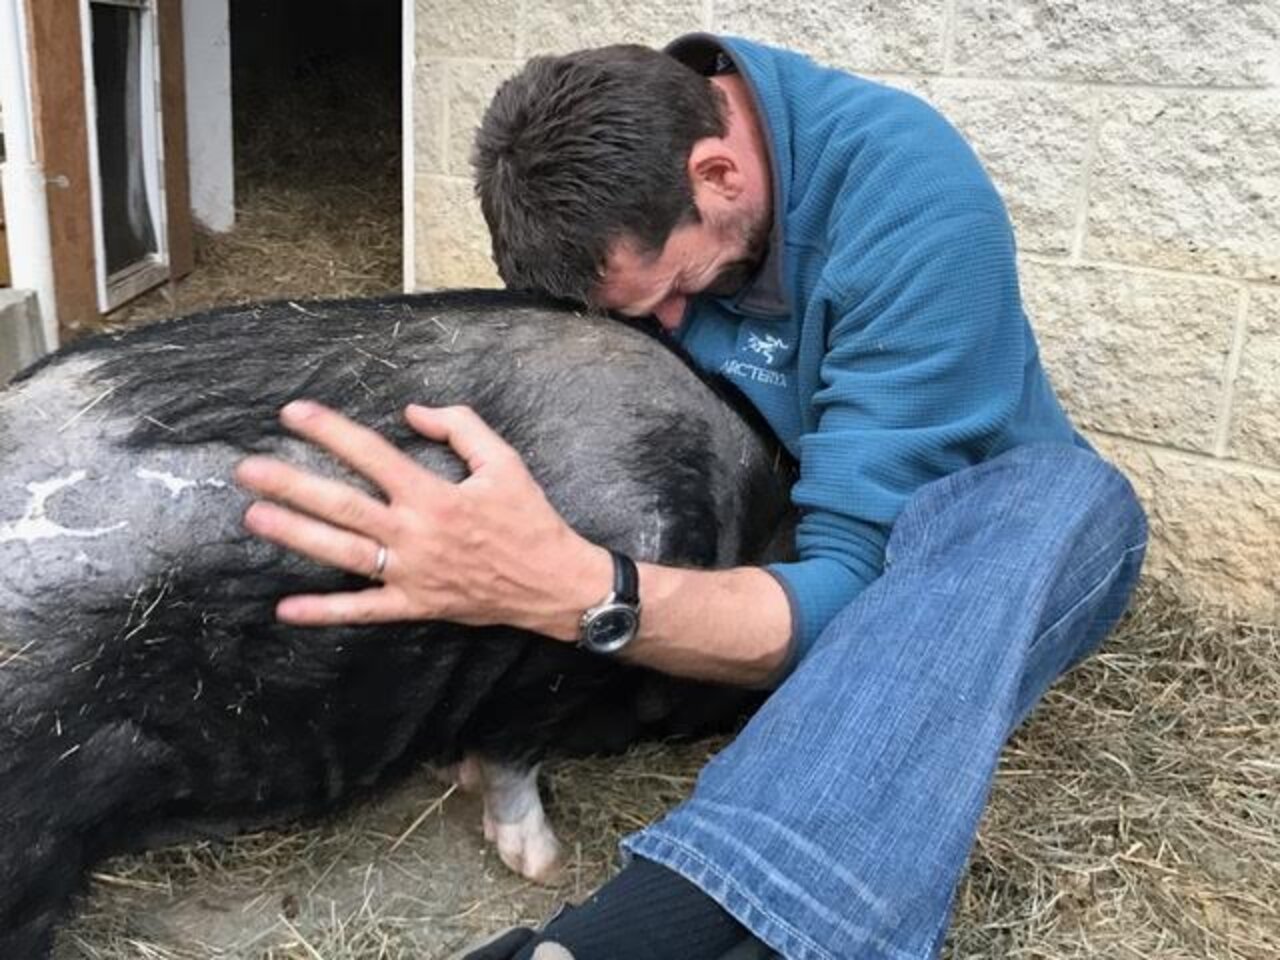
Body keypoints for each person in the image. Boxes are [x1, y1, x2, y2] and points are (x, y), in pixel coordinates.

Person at [234, 34, 1149, 960]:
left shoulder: (914, 205)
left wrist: (581, 590)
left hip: (987, 543)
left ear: (718, 174)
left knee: (1070, 494)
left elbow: (855, 594)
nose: (674, 324)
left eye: (676, 288)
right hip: (779, 532)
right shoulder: (634, 198)